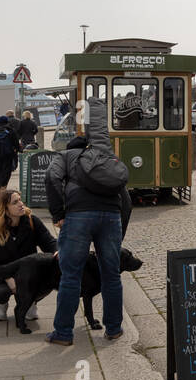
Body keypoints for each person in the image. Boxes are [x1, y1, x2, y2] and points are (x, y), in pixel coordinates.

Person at [44, 99, 131, 345]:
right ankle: (113, 329)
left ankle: (63, 333)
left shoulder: (64, 156)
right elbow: (126, 201)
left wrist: (58, 214)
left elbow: (51, 179)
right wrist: (118, 233)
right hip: (111, 216)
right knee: (111, 275)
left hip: (79, 216)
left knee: (71, 276)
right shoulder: (104, 155)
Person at [0, 189, 57, 323]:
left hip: (28, 273)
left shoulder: (32, 221)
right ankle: (1, 305)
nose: (21, 204)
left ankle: (30, 302)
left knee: (51, 277)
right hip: (2, 274)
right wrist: (7, 277)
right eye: (15, 202)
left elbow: (49, 242)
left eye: (20, 200)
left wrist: (58, 251)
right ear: (5, 209)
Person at [0, 113, 20, 194]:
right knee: (7, 171)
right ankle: (4, 187)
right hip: (8, 155)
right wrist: (19, 150)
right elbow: (16, 142)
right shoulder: (11, 130)